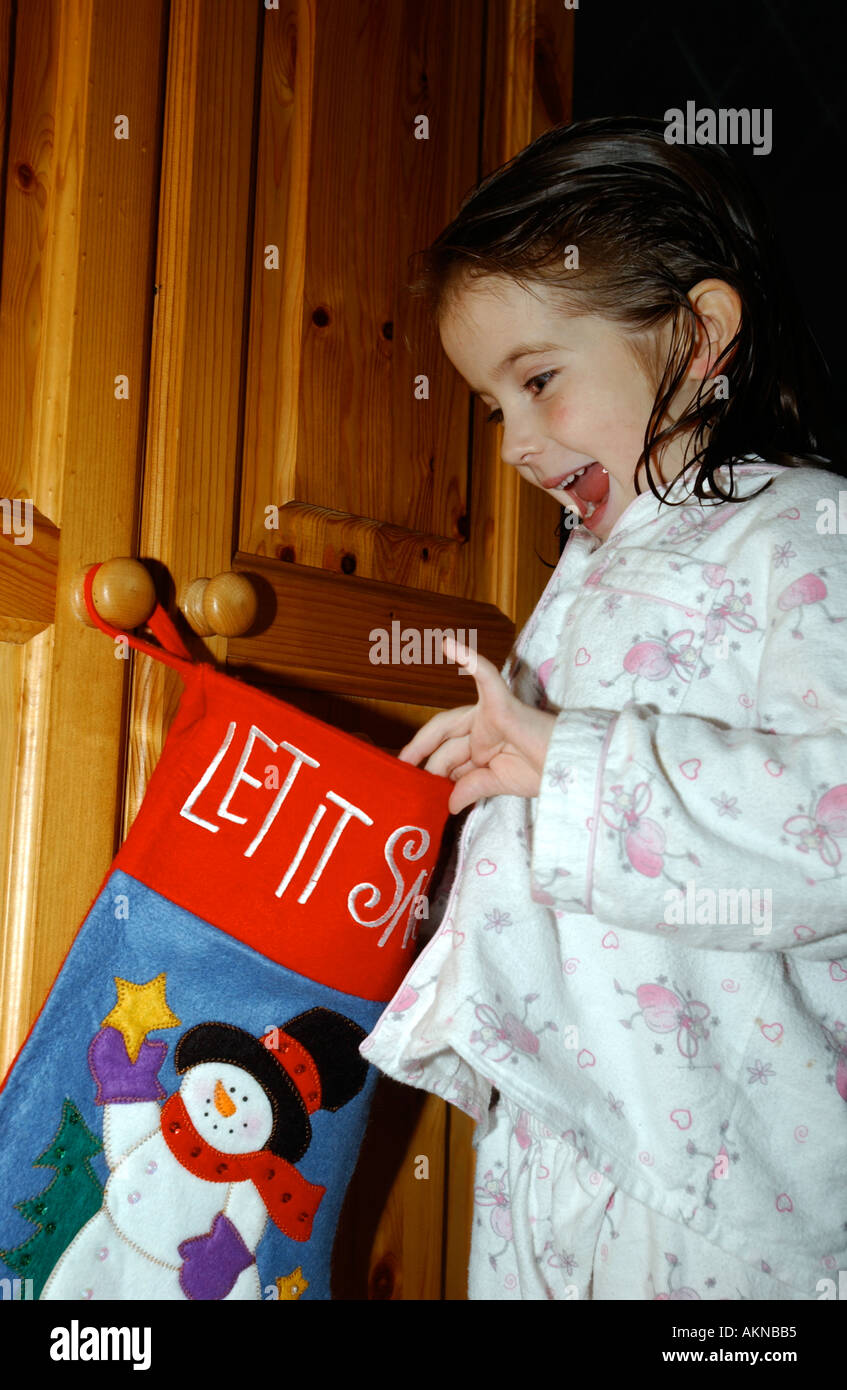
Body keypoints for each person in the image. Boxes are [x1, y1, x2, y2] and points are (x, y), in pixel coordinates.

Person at [359, 116, 847, 1301]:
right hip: (556, 1130)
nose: (518, 443)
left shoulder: (807, 533)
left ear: (698, 336)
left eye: (538, 381)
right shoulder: (584, 573)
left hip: (728, 1173)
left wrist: (566, 769)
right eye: (492, 405)